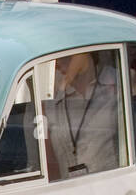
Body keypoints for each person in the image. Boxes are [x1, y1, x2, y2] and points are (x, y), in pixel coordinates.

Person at [41, 51, 120, 180]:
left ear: (83, 53)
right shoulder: (51, 97)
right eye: (53, 58)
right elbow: (45, 159)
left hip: (111, 186)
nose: (57, 63)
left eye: (65, 55)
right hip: (69, 192)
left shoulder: (116, 84)